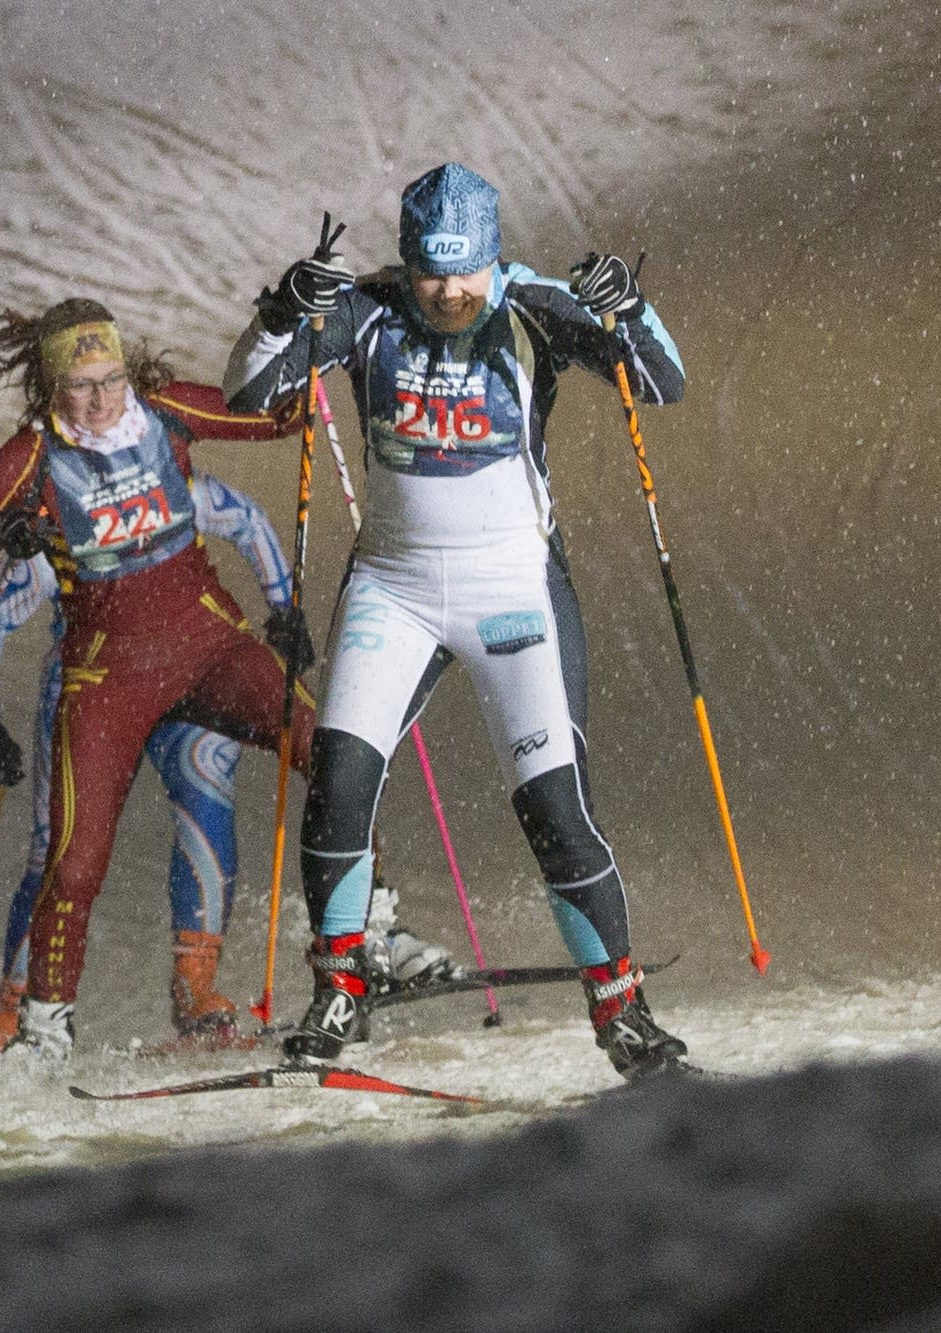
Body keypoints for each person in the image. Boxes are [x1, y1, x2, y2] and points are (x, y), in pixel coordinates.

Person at [224, 162, 690, 1080]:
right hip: (394, 589)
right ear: (408, 262)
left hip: (512, 589)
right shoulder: (366, 310)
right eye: (432, 273)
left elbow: (660, 381)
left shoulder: (531, 307)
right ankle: (341, 987)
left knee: (556, 809)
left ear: (493, 255)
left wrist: (628, 309)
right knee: (339, 779)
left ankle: (622, 1010)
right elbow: (253, 391)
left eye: (466, 270)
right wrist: (282, 310)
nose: (449, 292)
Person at [0, 298, 317, 1059]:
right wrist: (1, 532)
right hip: (103, 677)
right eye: (81, 386)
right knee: (67, 856)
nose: (102, 399)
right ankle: (31, 1023)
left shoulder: (164, 414)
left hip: (204, 651)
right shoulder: (33, 458)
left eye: (111, 379)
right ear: (53, 388)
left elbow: (279, 421)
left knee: (278, 766)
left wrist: (302, 330)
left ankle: (296, 964)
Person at [0, 538, 453, 1050]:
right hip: (95, 680)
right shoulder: (64, 510)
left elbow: (245, 520)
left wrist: (284, 607)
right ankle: (18, 1011)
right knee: (60, 847)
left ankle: (215, 987)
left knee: (215, 796)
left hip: (196, 664)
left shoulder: (175, 496)